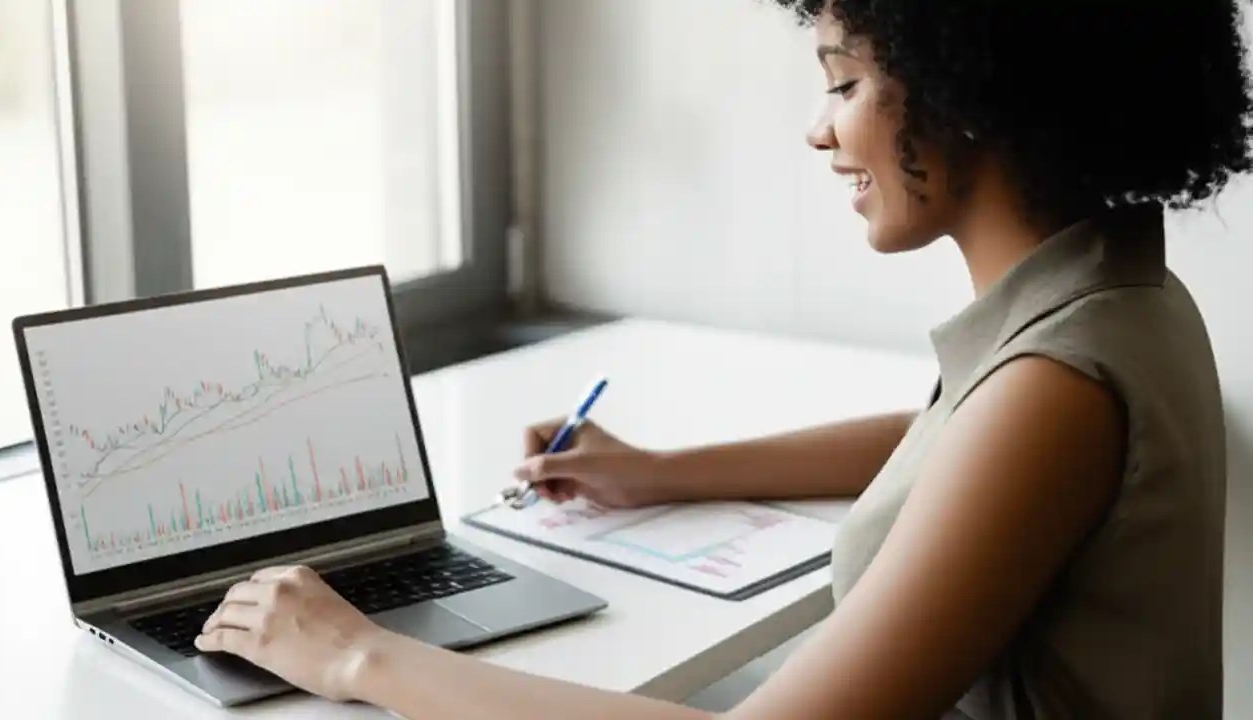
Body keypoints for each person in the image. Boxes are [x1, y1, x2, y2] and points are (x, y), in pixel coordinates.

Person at [193, 1, 1253, 717]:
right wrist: (657, 471)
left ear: (966, 91)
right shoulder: (1116, 296)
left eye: (841, 85)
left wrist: (355, 655)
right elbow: (948, 444)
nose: (818, 132)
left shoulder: (1050, 391)